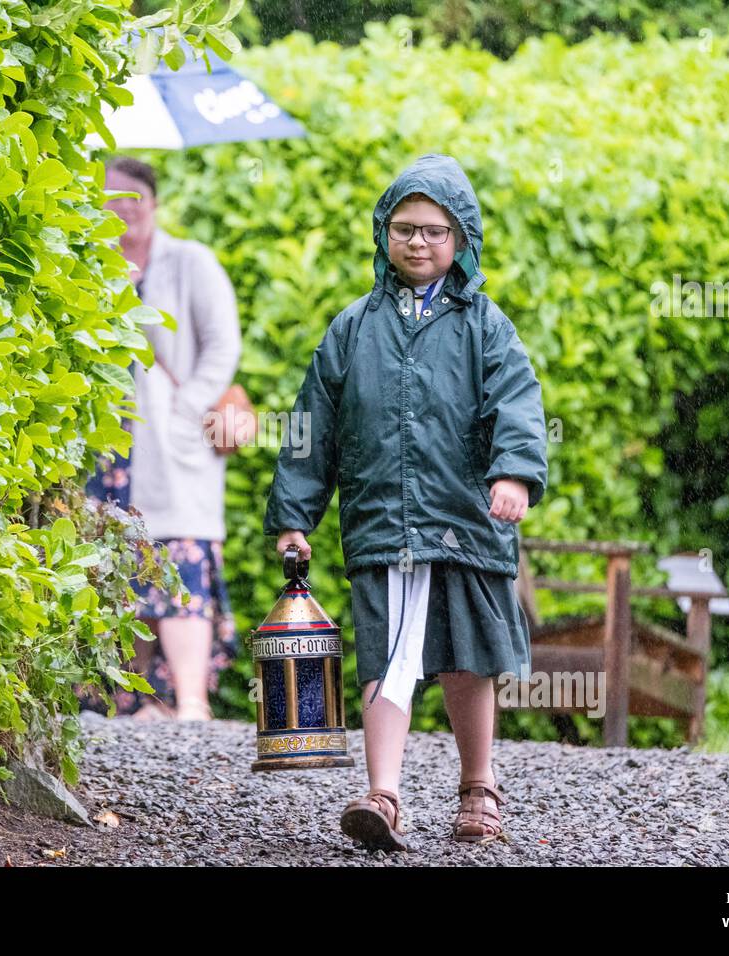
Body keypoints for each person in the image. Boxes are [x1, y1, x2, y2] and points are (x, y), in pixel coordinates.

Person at [263, 153, 548, 850]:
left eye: (434, 231)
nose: (417, 242)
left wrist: (512, 475)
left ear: (462, 240)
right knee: (382, 658)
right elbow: (314, 426)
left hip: (464, 525)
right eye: (403, 229)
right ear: (383, 235)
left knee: (465, 659)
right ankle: (382, 794)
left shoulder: (485, 325)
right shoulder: (353, 328)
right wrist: (295, 514)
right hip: (381, 522)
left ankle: (478, 787)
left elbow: (518, 403)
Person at [82, 156, 243, 723]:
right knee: (115, 568)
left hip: (171, 441)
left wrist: (186, 406)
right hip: (106, 441)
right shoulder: (86, 262)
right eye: (109, 196)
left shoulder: (189, 261)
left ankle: (191, 702)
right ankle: (137, 703)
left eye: (133, 196)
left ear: (153, 201)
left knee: (179, 559)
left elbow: (222, 345)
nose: (121, 206)